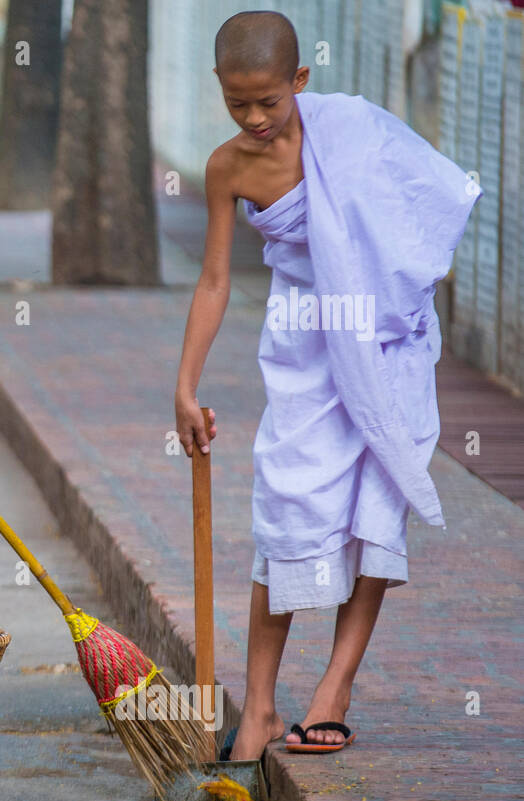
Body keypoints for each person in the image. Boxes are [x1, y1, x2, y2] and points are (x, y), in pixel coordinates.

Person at [174, 11, 479, 760]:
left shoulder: (350, 130)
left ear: (299, 82)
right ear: (219, 89)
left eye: (269, 103)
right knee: (288, 507)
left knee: (375, 507)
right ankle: (259, 709)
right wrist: (185, 385)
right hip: (306, 347)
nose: (254, 119)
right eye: (237, 103)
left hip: (380, 344)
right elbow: (214, 280)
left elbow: (429, 199)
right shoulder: (228, 167)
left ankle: (333, 688)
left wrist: (399, 288)